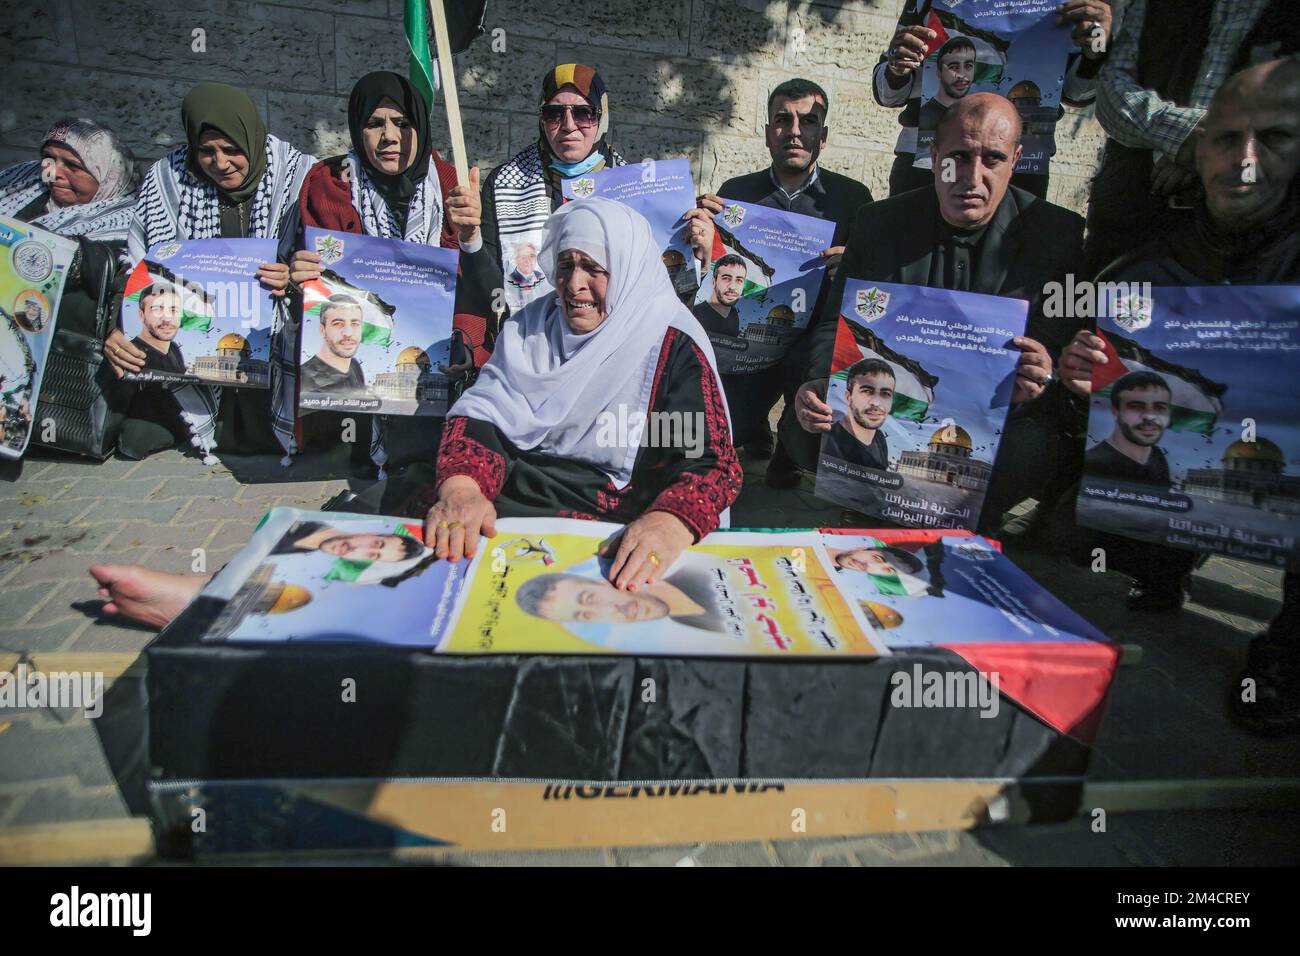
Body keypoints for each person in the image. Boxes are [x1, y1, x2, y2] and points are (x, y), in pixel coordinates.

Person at [1060, 59, 1300, 730]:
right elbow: (1109, 392)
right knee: (1095, 516)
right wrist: (1086, 381)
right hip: (1192, 459)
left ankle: (1287, 653)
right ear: (1199, 147)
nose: (1244, 162)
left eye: (1275, 139)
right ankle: (1162, 561)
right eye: (1226, 139)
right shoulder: (1141, 273)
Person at [790, 94, 1086, 534]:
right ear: (933, 155)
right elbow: (836, 323)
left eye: (993, 159)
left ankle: (975, 514)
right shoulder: (879, 222)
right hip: (892, 409)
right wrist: (822, 380)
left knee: (1032, 446)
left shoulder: (1057, 234)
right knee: (806, 427)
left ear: (1016, 160)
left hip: (995, 417)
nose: (972, 176)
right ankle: (875, 500)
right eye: (959, 157)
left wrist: (1044, 364)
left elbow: (1062, 337)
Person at [420, 197, 742, 591]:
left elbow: (708, 464)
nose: (574, 285)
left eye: (594, 268)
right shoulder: (531, 328)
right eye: (567, 265)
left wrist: (669, 524)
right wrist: (464, 489)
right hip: (511, 496)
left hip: (615, 519)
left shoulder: (669, 348)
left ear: (626, 271)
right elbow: (483, 416)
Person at [104, 82, 315, 462]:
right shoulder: (168, 180)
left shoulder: (298, 177)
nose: (221, 163)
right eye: (207, 152)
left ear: (251, 138)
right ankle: (200, 416)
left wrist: (291, 276)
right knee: (133, 440)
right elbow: (139, 265)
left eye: (232, 149)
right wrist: (120, 326)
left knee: (271, 438)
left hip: (273, 338)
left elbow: (322, 262)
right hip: (192, 347)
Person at [291, 71, 492, 470]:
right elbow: (316, 279)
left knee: (428, 451)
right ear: (356, 128)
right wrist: (301, 274)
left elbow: (479, 289)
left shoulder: (452, 185)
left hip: (434, 357)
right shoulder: (329, 185)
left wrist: (465, 342)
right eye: (374, 123)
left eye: (402, 123)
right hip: (352, 361)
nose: (389, 136)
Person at [690, 78, 874, 473]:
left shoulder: (853, 198)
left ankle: (789, 446)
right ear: (768, 133)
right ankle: (755, 426)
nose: (794, 131)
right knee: (727, 430)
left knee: (802, 441)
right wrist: (702, 234)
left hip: (811, 342)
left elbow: (867, 286)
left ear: (822, 136)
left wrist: (850, 265)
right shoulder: (736, 192)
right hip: (748, 335)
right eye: (782, 120)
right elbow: (716, 272)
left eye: (808, 121)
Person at [1084, 0, 1274, 275]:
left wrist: (1215, 144)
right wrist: (1187, 136)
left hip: (1256, 235)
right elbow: (1111, 95)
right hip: (1137, 223)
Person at [875, 0, 1112, 197]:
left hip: (1020, 166)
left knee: (1009, 252)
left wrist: (1099, 46)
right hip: (926, 159)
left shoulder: (1067, 4)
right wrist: (896, 66)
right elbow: (887, 93)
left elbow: (1077, 93)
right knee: (911, 250)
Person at [477, 64, 626, 320]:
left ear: (602, 118)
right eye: (554, 113)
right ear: (541, 119)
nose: (568, 125)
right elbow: (487, 281)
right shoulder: (503, 183)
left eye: (584, 113)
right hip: (528, 339)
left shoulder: (633, 187)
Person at [516, 567, 724, 633]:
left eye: (589, 598)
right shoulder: (683, 624)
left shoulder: (700, 573)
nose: (610, 610)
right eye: (584, 615)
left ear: (602, 583)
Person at [1083, 371, 1172, 484]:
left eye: (1160, 407)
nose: (1150, 416)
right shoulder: (1093, 465)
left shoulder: (1156, 455)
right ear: (1115, 411)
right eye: (1136, 407)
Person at [822, 358, 894, 470]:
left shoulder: (879, 439)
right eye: (867, 391)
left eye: (885, 393)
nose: (876, 402)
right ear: (848, 397)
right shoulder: (825, 440)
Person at [300, 295, 365, 394]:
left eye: (355, 324)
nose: (348, 333)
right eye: (338, 323)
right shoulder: (304, 378)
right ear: (323, 330)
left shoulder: (354, 366)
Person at [269, 521, 424, 562]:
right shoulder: (301, 522)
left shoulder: (298, 555)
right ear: (373, 533)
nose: (356, 551)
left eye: (372, 556)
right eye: (376, 543)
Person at [917, 37, 977, 135]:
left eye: (968, 66)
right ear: (939, 73)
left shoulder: (977, 116)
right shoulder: (926, 118)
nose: (962, 74)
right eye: (953, 67)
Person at [131, 284, 186, 374]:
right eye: (157, 309)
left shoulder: (174, 348)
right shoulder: (129, 354)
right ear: (141, 315)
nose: (167, 318)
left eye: (173, 310)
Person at [691, 254, 746, 339]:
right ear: (714, 281)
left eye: (739, 280)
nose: (732, 286)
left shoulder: (734, 314)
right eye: (726, 278)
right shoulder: (694, 316)